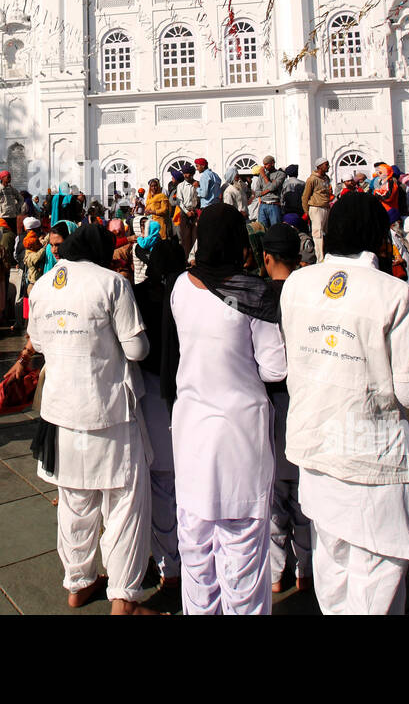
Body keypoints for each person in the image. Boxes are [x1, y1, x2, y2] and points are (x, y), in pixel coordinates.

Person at [280, 192, 409, 614]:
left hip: (314, 444)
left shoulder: (297, 282)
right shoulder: (395, 294)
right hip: (370, 456)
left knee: (332, 558)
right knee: (376, 569)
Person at [16, 223, 156, 614]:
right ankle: (123, 598)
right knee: (124, 502)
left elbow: (39, 343)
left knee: (75, 501)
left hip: (62, 412)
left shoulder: (43, 285)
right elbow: (138, 349)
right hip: (108, 410)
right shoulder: (112, 283)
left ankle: (78, 583)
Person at [167, 204, 287, 614]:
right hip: (239, 432)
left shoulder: (181, 285)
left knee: (196, 541)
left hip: (191, 428)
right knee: (243, 546)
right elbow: (275, 369)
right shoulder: (253, 293)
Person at [133, 236, 188, 602]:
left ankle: (167, 563)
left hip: (149, 394)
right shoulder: (190, 295)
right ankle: (175, 562)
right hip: (181, 392)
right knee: (175, 483)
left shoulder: (137, 295)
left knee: (157, 485)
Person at [260, 223, 314, 595]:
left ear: (266, 257)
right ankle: (306, 569)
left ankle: (277, 573)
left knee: (275, 494)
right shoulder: (311, 293)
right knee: (305, 493)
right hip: (306, 399)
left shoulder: (259, 295)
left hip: (271, 399)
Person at [302, 159, 332, 261]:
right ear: (319, 166)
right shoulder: (312, 179)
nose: (328, 166)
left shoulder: (326, 178)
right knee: (317, 234)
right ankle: (320, 259)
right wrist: (307, 212)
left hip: (326, 207)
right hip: (316, 208)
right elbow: (305, 196)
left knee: (327, 233)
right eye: (326, 165)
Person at [170, 168, 200, 257]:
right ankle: (186, 259)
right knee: (185, 237)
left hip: (195, 212)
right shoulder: (181, 186)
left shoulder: (197, 184)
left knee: (196, 237)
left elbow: (200, 197)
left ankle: (195, 258)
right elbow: (180, 201)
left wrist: (197, 188)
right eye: (185, 173)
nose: (186, 175)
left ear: (192, 174)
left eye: (188, 173)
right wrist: (187, 212)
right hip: (185, 213)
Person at [254, 156, 286, 228]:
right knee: (262, 229)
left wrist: (264, 176)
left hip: (274, 204)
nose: (264, 167)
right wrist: (269, 189)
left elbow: (273, 187)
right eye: (263, 164)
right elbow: (257, 193)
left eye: (266, 164)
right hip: (263, 204)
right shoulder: (261, 176)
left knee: (275, 229)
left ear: (272, 164)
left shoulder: (280, 174)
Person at [0, 170, 24, 234]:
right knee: (3, 238)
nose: (10, 179)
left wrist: (16, 208)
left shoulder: (12, 189)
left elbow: (21, 199)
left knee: (13, 237)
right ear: (2, 178)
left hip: (12, 217)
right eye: (8, 177)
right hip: (2, 218)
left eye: (10, 177)